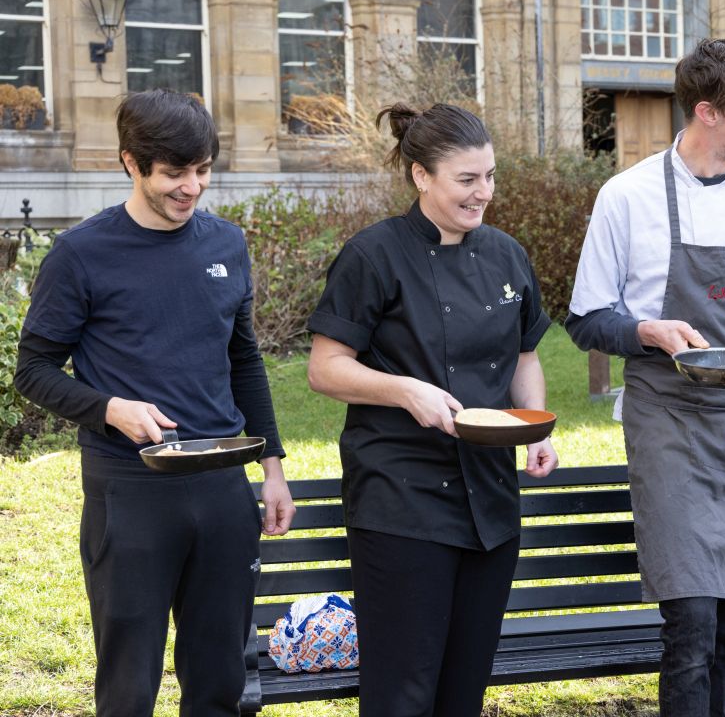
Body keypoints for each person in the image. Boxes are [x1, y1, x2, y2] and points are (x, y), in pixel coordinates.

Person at [13, 89, 296, 717]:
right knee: (128, 681)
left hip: (224, 482)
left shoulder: (226, 244)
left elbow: (243, 360)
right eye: (174, 172)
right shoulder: (81, 254)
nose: (191, 187)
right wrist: (110, 408)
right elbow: (30, 370)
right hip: (131, 488)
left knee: (222, 675)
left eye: (201, 170)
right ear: (131, 164)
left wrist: (271, 468)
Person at [566, 38, 725, 717]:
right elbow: (587, 319)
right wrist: (645, 331)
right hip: (670, 424)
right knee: (692, 620)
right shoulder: (628, 196)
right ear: (708, 112)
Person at [305, 102, 559, 717]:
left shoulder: (506, 255)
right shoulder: (373, 255)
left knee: (464, 689)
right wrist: (405, 389)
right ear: (421, 175)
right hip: (402, 496)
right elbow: (325, 368)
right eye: (467, 180)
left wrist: (535, 428)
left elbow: (525, 357)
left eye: (491, 176)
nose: (484, 194)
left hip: (490, 497)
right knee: (403, 692)